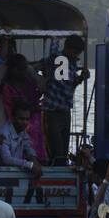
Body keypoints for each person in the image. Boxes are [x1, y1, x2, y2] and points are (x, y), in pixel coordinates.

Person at [40, 35, 88, 164]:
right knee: (55, 150)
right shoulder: (57, 59)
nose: (77, 56)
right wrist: (57, 36)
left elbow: (69, 85)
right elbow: (53, 49)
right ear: (69, 49)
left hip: (65, 111)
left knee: (63, 150)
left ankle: (61, 167)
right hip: (52, 112)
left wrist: (80, 79)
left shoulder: (71, 64)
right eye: (76, 52)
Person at [0, 53, 47, 161]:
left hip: (29, 120)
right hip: (12, 119)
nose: (23, 72)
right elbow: (10, 105)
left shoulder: (29, 82)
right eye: (20, 69)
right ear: (12, 69)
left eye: (24, 69)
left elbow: (40, 91)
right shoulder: (6, 86)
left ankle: (36, 160)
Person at [0, 102, 44, 179]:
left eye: (27, 119)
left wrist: (35, 161)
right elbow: (6, 159)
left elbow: (29, 149)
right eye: (21, 119)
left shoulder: (23, 132)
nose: (25, 122)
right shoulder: (3, 133)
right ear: (13, 118)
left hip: (12, 174)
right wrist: (30, 165)